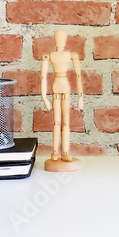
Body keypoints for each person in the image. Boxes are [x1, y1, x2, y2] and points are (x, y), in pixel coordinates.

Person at [40, 29, 83, 171]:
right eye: (58, 38)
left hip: (65, 86)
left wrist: (80, 97)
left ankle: (65, 152)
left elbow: (78, 75)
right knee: (56, 122)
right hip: (56, 85)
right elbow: (43, 77)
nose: (60, 41)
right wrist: (44, 97)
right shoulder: (49, 55)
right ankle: (54, 152)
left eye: (62, 38)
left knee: (65, 122)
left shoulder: (71, 55)